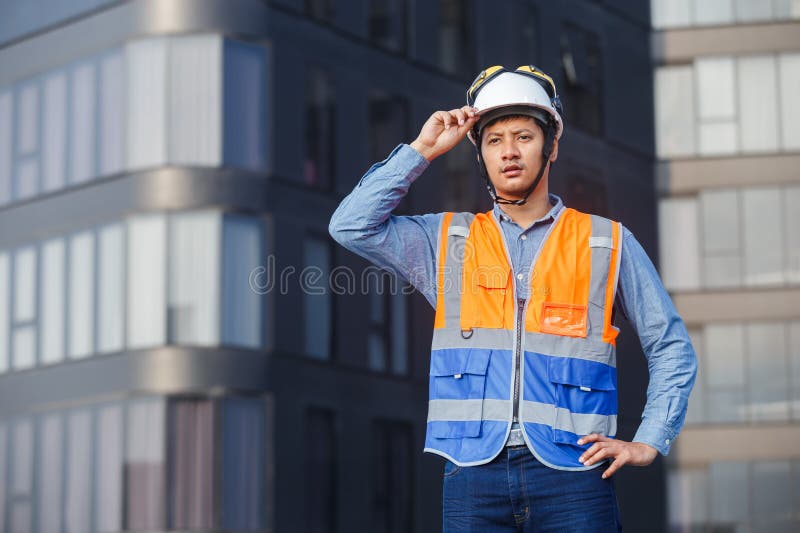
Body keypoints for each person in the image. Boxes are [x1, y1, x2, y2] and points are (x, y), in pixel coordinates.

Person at [329, 65, 696, 532]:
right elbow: (349, 225)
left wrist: (650, 440)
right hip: (471, 477)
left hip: (574, 477)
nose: (509, 152)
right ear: (479, 153)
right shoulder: (446, 241)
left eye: (523, 136)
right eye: (494, 139)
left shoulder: (605, 242)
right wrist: (422, 151)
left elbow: (670, 345)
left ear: (552, 146)